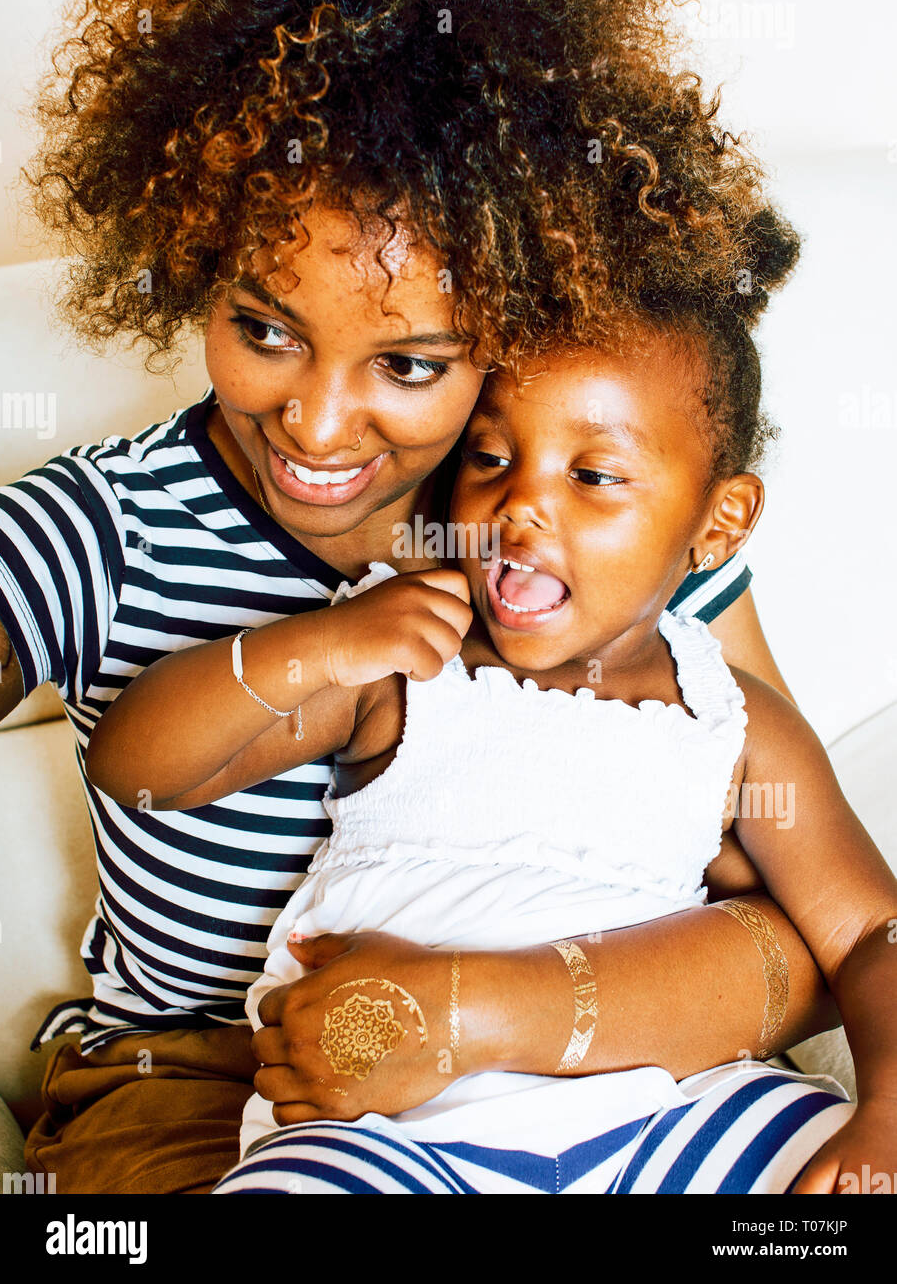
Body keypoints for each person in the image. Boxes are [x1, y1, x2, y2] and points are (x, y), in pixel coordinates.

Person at [0, 0, 836, 1193]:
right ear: (197, 270)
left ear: (507, 324)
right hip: (206, 1076)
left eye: (408, 363)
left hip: (588, 1069)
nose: (318, 425)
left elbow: (796, 921)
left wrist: (475, 1014)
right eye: (262, 328)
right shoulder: (105, 528)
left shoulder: (598, 544)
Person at [87, 316, 897, 1195]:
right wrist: (319, 648)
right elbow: (137, 767)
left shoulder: (737, 721)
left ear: (719, 519)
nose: (519, 505)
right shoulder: (407, 658)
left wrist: (887, 1115)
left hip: (671, 1112)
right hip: (392, 1136)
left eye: (592, 475)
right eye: (489, 459)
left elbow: (863, 932)